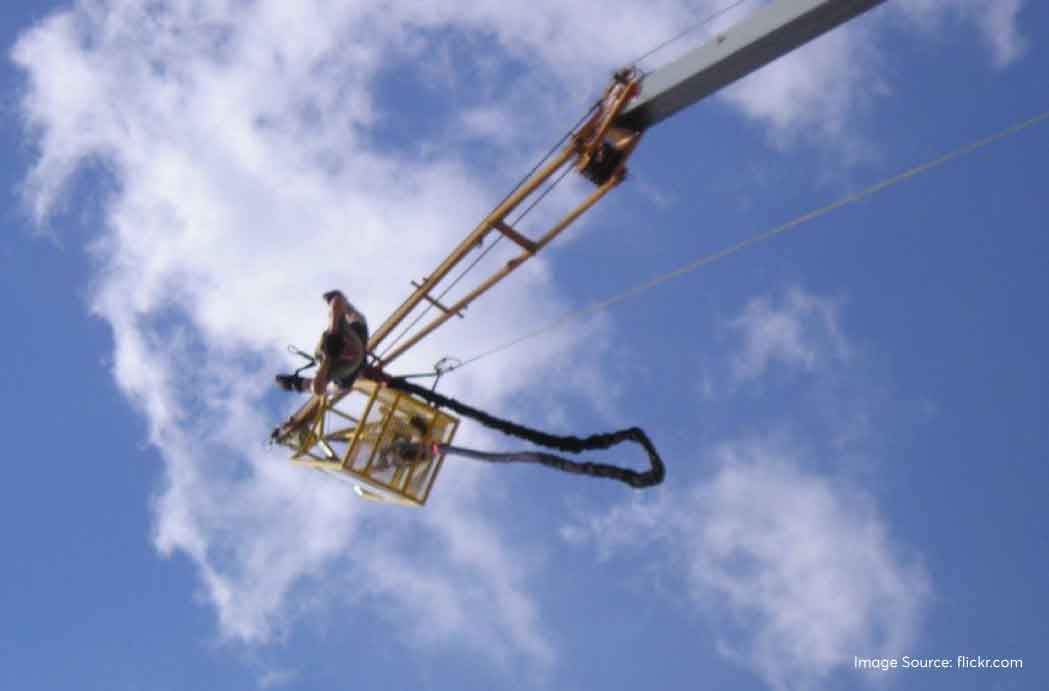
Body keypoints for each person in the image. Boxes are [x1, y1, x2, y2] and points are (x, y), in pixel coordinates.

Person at [276, 290, 369, 395]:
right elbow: (318, 389)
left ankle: (298, 384)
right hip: (346, 375)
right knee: (334, 389)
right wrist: (326, 362)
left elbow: (337, 303)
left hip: (356, 338)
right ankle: (297, 384)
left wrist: (333, 300)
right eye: (347, 352)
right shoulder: (331, 367)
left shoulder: (337, 330)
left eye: (347, 348)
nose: (350, 351)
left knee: (358, 319)